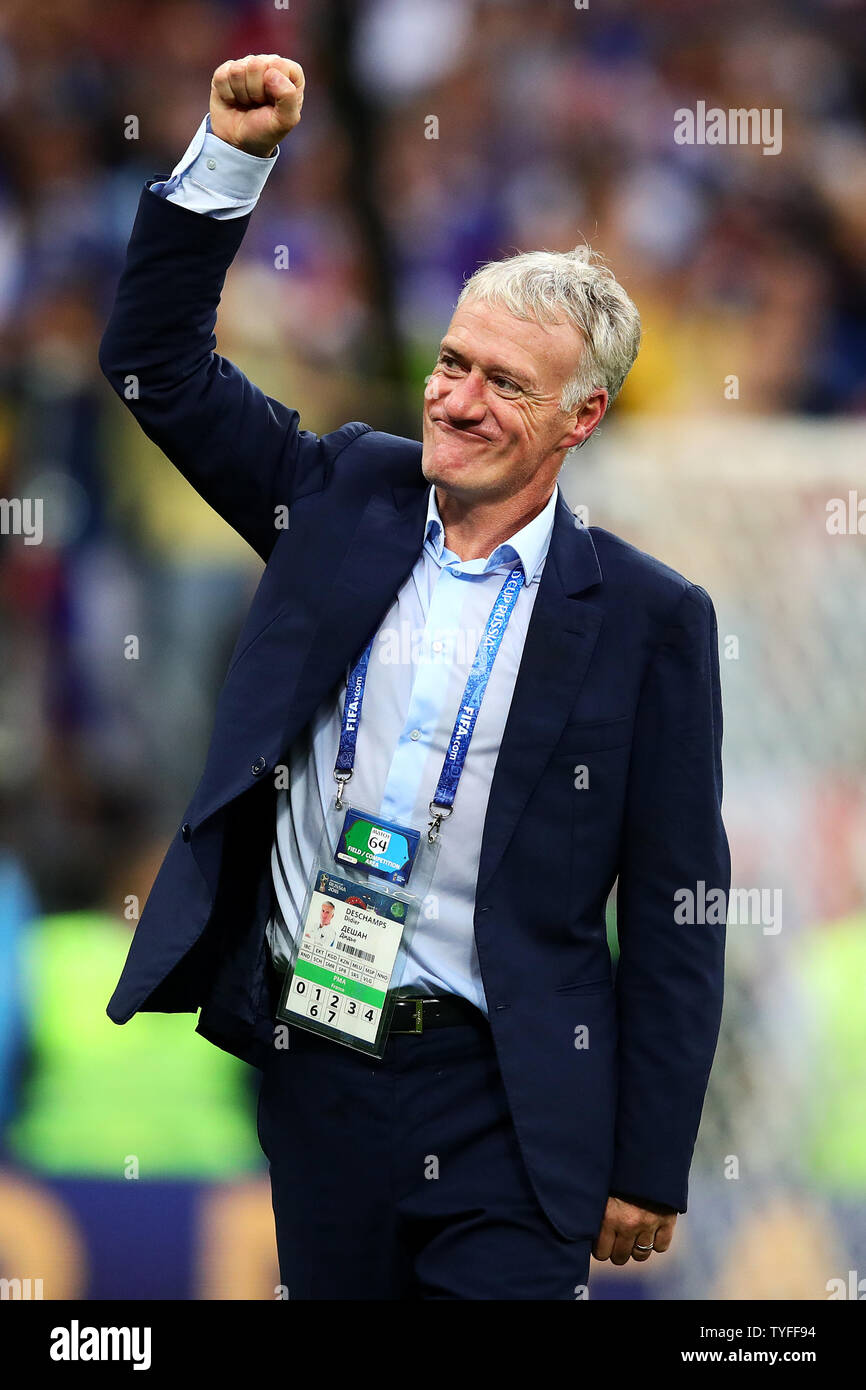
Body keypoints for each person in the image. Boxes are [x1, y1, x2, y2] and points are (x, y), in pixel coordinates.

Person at [99, 54, 730, 1300]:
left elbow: (675, 907)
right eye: (452, 363)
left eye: (505, 383)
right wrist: (230, 157)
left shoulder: (649, 620)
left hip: (508, 1097)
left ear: (581, 417)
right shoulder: (339, 493)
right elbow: (153, 366)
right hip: (318, 1068)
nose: (457, 399)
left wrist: (648, 1158)